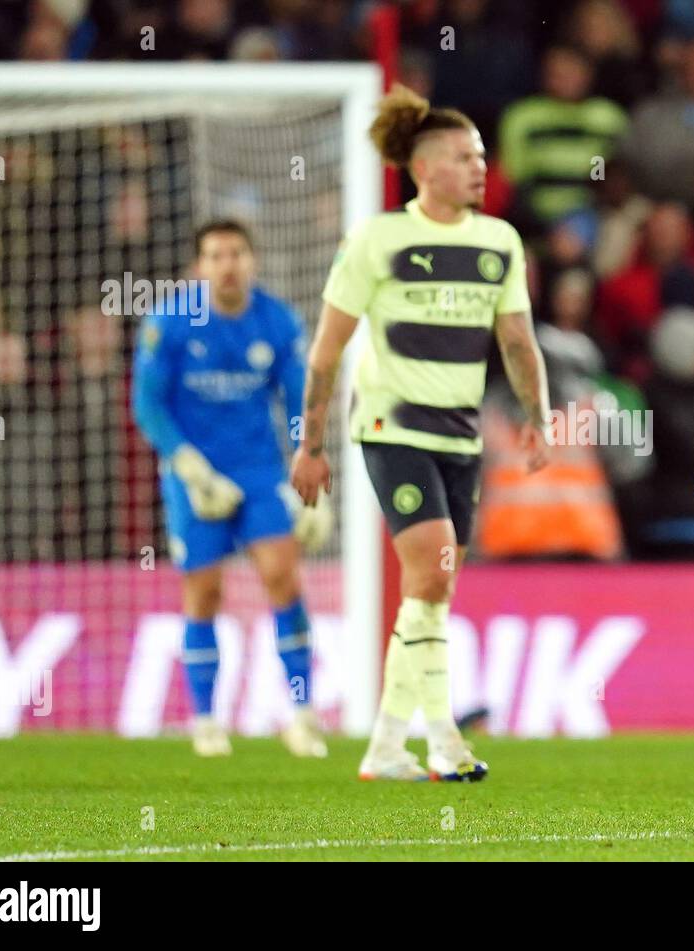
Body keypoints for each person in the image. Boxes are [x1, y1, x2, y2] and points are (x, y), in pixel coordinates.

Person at [290, 85, 550, 782]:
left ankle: (382, 747)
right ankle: (444, 741)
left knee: (430, 590)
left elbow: (519, 340)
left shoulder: (500, 241)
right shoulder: (378, 239)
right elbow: (326, 350)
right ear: (425, 167)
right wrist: (310, 445)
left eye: (482, 156)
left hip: (462, 437)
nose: (479, 168)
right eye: (465, 156)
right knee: (431, 568)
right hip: (392, 426)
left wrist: (538, 414)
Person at [131, 220, 333, 759]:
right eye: (216, 255)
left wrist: (309, 467)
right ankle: (205, 720)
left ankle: (301, 713)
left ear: (253, 261)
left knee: (282, 577)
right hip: (194, 474)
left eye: (237, 253)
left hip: (259, 472)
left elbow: (298, 405)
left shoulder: (276, 321)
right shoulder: (169, 322)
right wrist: (187, 463)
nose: (227, 264)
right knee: (203, 593)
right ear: (200, 266)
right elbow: (148, 404)